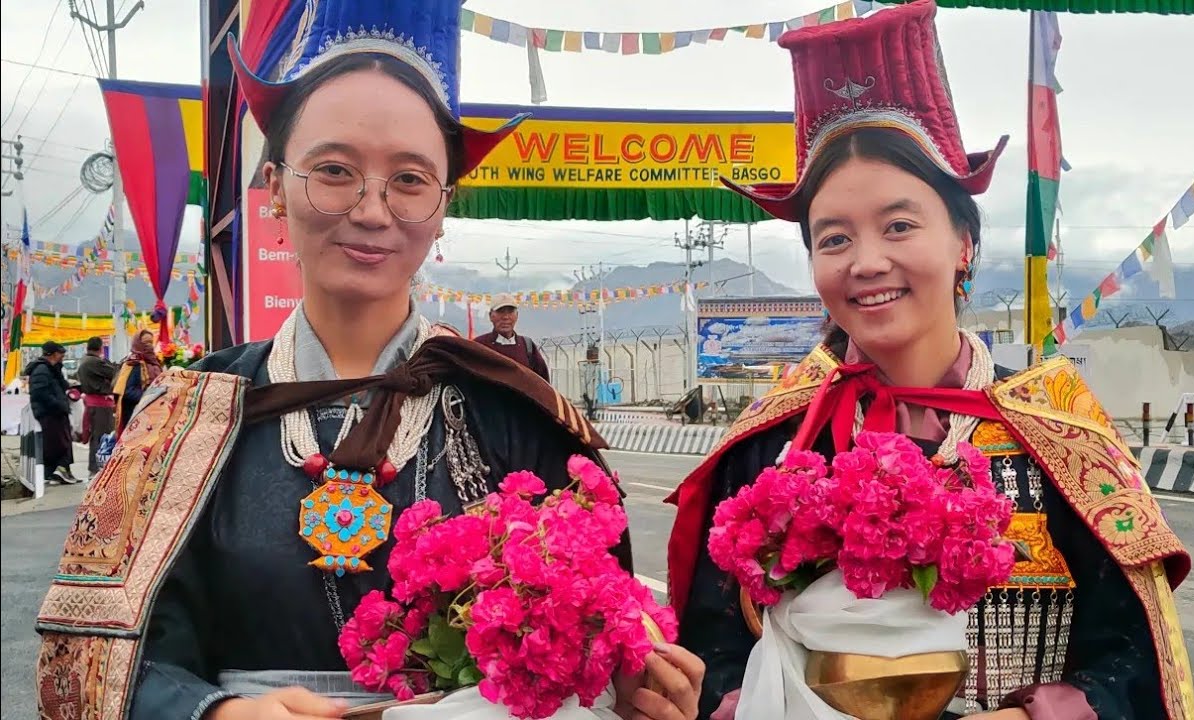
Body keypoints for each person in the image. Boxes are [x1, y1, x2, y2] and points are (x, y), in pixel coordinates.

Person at [35, 4, 704, 720]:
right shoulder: (187, 414)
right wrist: (215, 712)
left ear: (443, 207)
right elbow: (95, 656)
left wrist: (628, 682)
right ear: (274, 188)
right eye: (334, 170)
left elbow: (596, 640)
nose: (373, 210)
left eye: (410, 180)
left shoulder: (517, 414)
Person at [664, 3, 1194, 719]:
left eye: (899, 225)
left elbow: (1136, 660)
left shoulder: (1057, 433)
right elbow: (715, 644)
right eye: (834, 239)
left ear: (963, 243)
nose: (866, 262)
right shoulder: (774, 443)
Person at [25, 340, 79, 484]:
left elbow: (62, 385)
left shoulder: (52, 369)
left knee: (59, 443)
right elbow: (40, 393)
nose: (62, 357)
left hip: (56, 412)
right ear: (54, 354)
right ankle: (58, 471)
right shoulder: (41, 370)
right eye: (60, 354)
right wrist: (58, 405)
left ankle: (56, 473)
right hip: (49, 412)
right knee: (59, 444)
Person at [473, 293, 551, 382]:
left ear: (517, 315)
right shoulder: (479, 345)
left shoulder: (527, 346)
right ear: (491, 316)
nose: (506, 317)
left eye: (510, 312)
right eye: (500, 311)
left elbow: (543, 382)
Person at [76, 336, 117, 476]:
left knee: (96, 436)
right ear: (100, 348)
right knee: (103, 436)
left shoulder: (85, 360)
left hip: (93, 403)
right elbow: (114, 372)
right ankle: (97, 468)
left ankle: (95, 468)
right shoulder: (95, 362)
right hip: (101, 404)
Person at [112, 329, 162, 432]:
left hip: (153, 413)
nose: (149, 346)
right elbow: (126, 391)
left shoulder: (155, 363)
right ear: (138, 344)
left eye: (150, 342)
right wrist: (148, 396)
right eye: (145, 343)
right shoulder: (132, 364)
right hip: (134, 414)